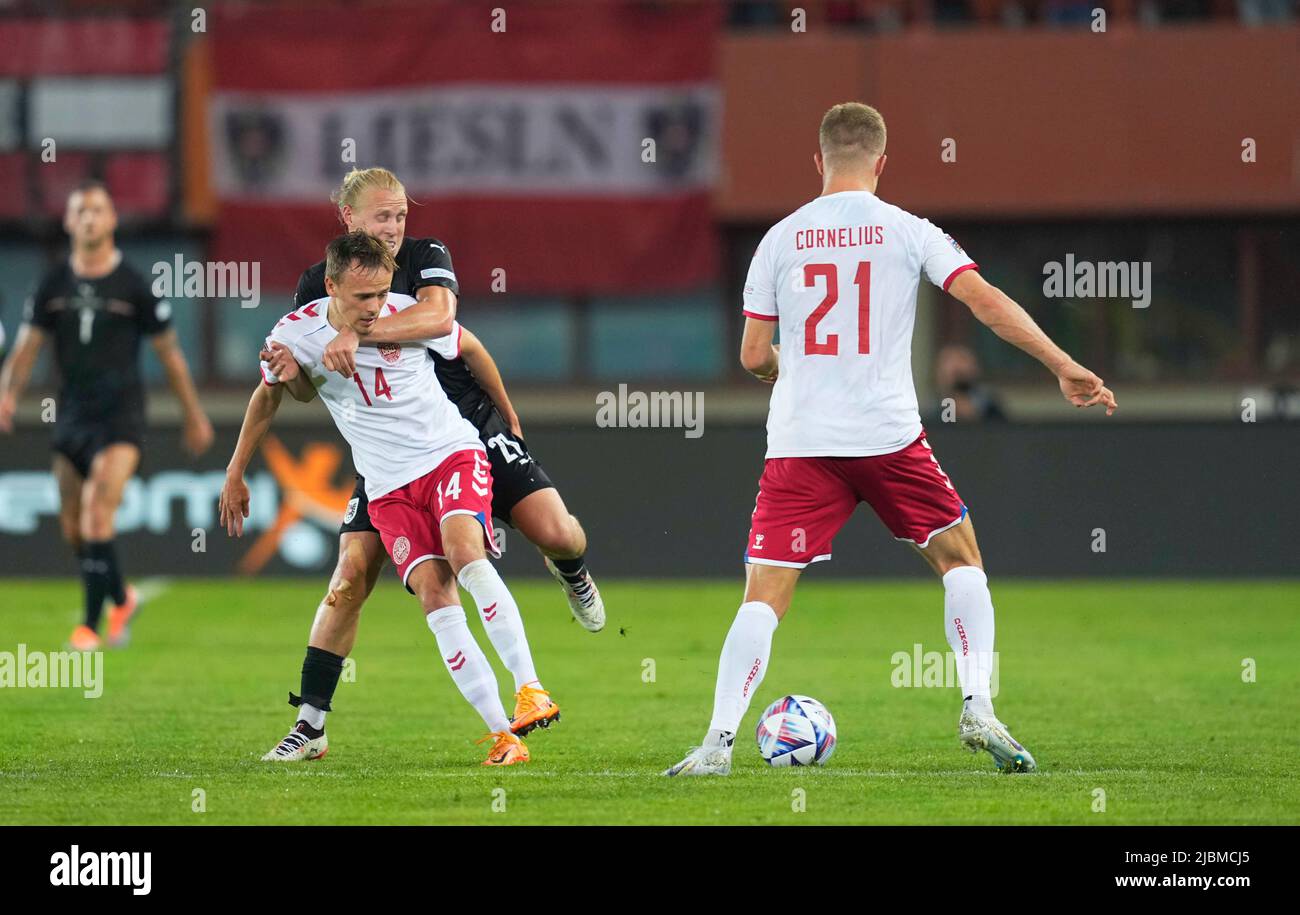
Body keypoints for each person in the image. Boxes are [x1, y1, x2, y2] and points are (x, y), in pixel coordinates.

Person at [665, 102, 1116, 777]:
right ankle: (978, 705)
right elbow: (985, 302)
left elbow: (755, 355)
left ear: (818, 162)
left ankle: (716, 744)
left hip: (801, 443)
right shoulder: (910, 231)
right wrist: (1063, 364)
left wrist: (786, 368)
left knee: (764, 594)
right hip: (888, 437)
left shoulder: (779, 239)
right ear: (882, 162)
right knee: (961, 560)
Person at [220, 167, 600, 762]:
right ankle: (316, 726)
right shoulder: (302, 314)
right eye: (383, 215)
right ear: (345, 231)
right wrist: (239, 464)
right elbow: (284, 390)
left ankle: (533, 681)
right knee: (372, 582)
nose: (395, 226)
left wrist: (509, 415)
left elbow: (454, 331)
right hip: (386, 475)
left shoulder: (417, 273)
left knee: (526, 538)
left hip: (458, 438)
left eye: (401, 214)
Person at [0, 180, 213, 651]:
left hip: (121, 417)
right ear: (69, 221)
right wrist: (6, 393)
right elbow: (27, 346)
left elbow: (171, 355)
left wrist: (193, 415)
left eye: (98, 209)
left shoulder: (133, 285)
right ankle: (122, 596)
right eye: (81, 210)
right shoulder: (54, 283)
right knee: (75, 529)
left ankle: (90, 625)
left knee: (99, 511)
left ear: (112, 220)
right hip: (71, 416)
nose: (90, 218)